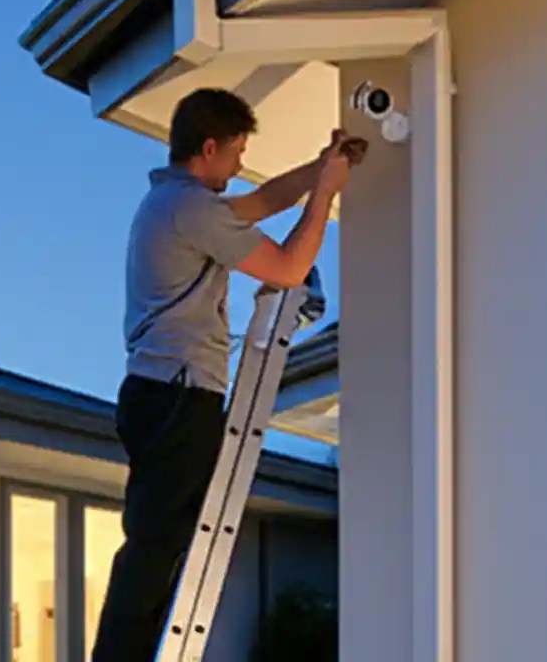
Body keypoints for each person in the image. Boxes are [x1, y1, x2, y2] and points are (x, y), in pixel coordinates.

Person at [90, 87, 362, 662]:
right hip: (177, 397)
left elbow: (262, 201)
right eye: (237, 151)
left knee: (156, 542)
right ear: (208, 147)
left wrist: (321, 169)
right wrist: (326, 198)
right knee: (155, 545)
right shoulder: (190, 210)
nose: (241, 164)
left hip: (159, 393)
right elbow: (289, 268)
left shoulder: (176, 201)